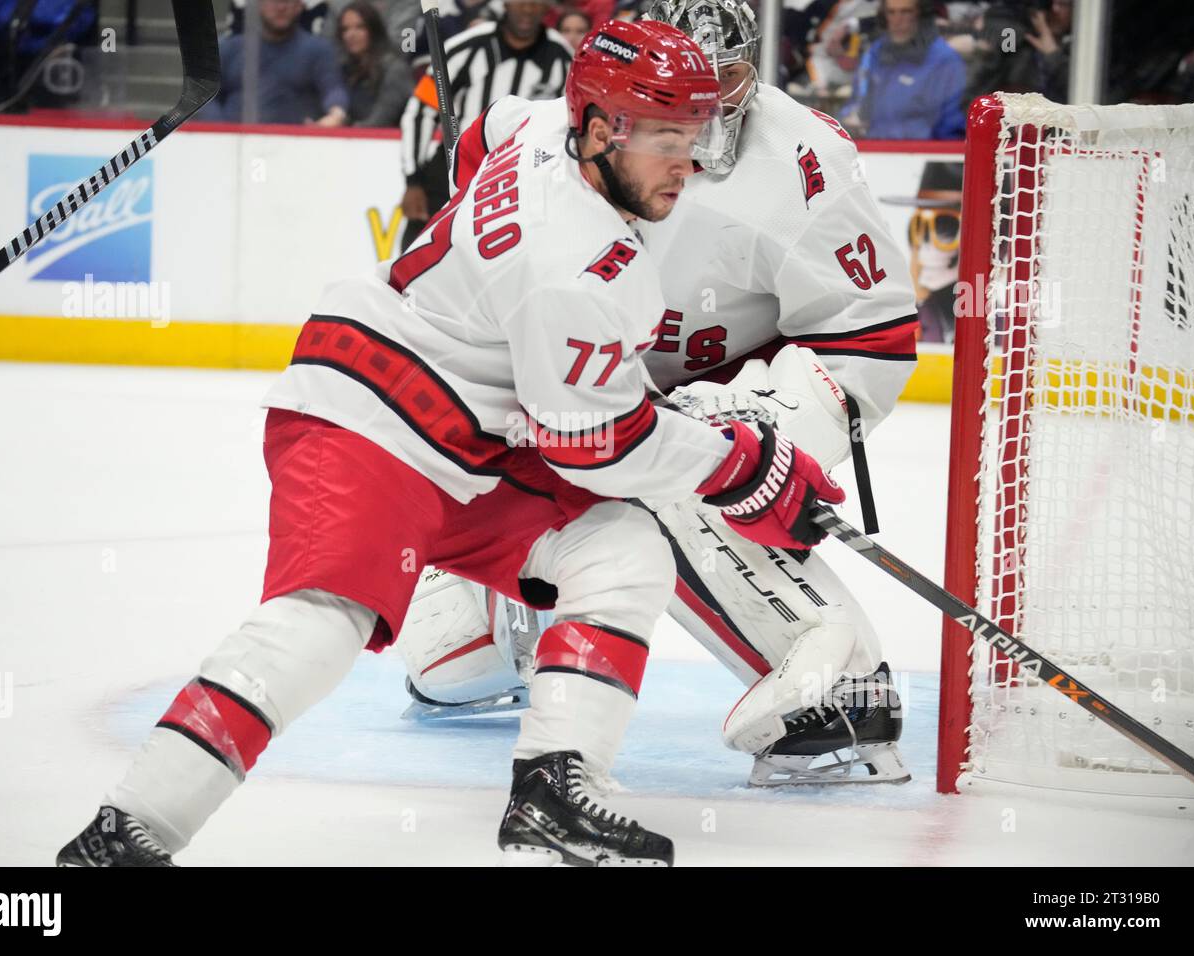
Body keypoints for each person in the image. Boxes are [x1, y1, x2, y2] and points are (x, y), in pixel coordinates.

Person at [55, 19, 847, 868]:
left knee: (620, 551)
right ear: (602, 129)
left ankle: (555, 791)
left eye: (693, 137)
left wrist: (484, 274)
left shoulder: (546, 125)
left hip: (469, 435)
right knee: (321, 627)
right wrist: (743, 468)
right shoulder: (575, 266)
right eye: (665, 138)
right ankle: (126, 835)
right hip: (368, 415)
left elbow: (482, 133)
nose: (685, 164)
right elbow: (596, 445)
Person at [396, 0, 919, 789]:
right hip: (597, 385)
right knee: (450, 664)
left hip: (741, 386)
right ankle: (511, 617)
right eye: (671, 109)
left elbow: (873, 334)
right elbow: (481, 152)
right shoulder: (552, 130)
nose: (699, 130)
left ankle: (839, 683)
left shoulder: (808, 164)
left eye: (724, 87)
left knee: (663, 466)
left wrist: (767, 435)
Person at [398, 0, 571, 251]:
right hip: (456, 163)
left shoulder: (561, 57)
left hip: (523, 175)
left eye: (536, 2)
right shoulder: (467, 47)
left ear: (547, 8)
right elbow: (420, 111)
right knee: (418, 250)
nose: (527, 8)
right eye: (521, 1)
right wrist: (413, 180)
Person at [205, 0, 350, 126]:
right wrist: (221, 130)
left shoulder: (319, 50)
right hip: (234, 146)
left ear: (300, 6)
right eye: (274, 1)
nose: (281, 8)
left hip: (297, 145)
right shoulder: (228, 48)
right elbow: (206, 94)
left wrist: (336, 114)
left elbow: (332, 88)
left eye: (288, 1)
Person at [840, 0, 965, 139]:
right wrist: (849, 116)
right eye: (891, 12)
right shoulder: (875, 52)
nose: (897, 20)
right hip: (874, 149)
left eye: (906, 12)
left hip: (922, 152)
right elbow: (856, 101)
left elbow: (952, 126)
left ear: (921, 15)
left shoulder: (944, 60)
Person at [338, 0, 414, 126]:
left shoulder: (395, 70)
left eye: (360, 27)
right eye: (345, 29)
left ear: (374, 30)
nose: (351, 34)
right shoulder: (346, 70)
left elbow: (380, 122)